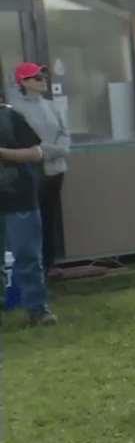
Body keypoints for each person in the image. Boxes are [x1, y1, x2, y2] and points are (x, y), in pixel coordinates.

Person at [0, 96, 56, 327]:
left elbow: (36, 153)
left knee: (28, 257)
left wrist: (2, 153)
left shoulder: (9, 116)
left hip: (18, 199)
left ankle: (38, 310)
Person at [9, 63, 69, 272]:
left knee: (50, 218)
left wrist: (55, 150)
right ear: (23, 82)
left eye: (43, 76)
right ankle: (32, 269)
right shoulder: (15, 110)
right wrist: (50, 151)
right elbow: (23, 142)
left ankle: (49, 265)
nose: (43, 80)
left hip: (55, 172)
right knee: (32, 222)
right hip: (31, 172)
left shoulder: (52, 105)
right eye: (36, 77)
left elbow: (64, 134)